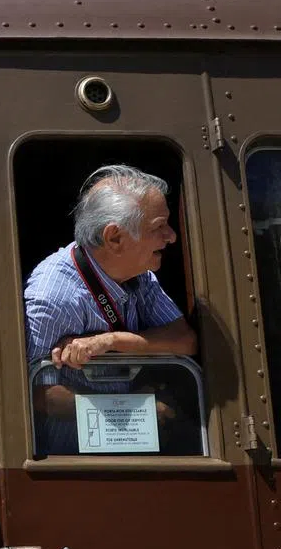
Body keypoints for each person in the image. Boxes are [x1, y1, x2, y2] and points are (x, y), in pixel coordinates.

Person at [24, 164, 198, 454]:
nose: (172, 236)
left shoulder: (140, 274)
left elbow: (185, 340)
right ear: (115, 238)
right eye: (158, 227)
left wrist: (111, 342)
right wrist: (133, 411)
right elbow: (38, 395)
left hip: (126, 452)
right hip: (70, 468)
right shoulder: (53, 296)